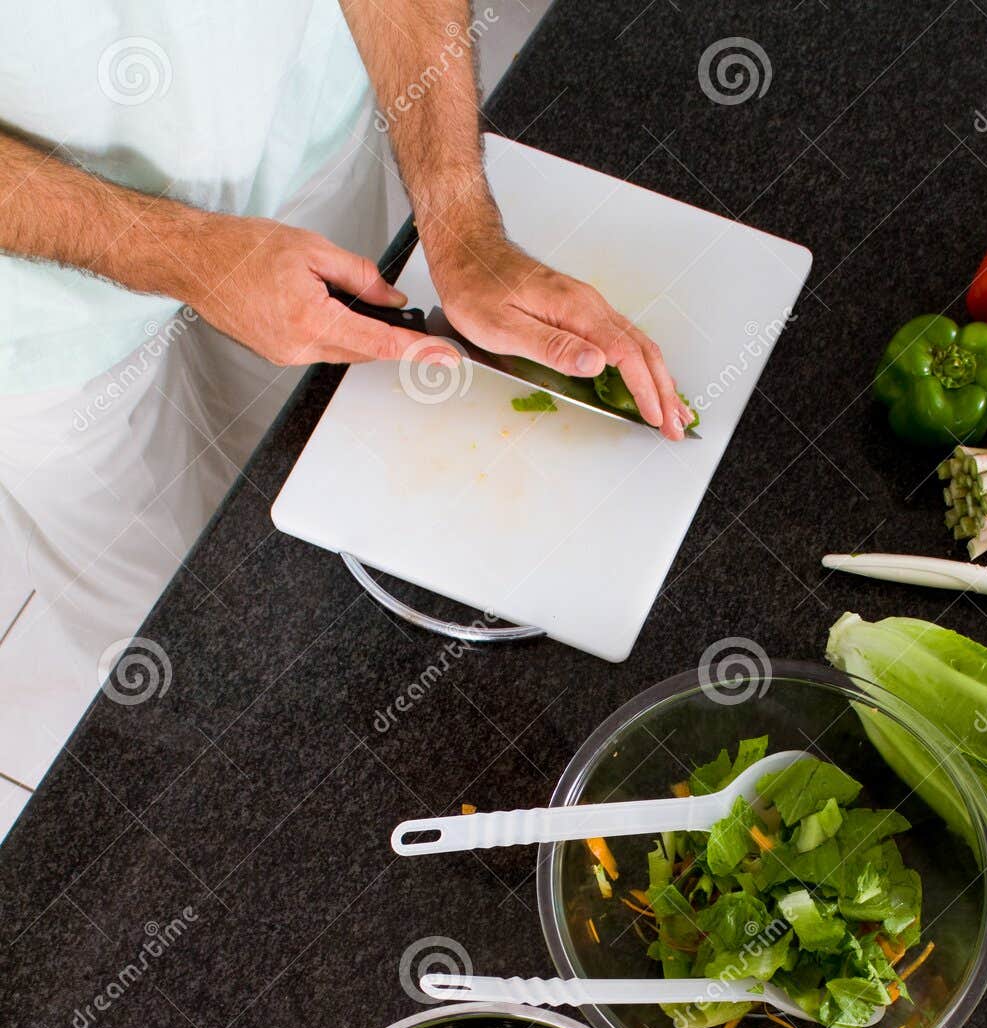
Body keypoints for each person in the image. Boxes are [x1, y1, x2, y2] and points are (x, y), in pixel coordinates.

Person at [0, 0, 688, 674]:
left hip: (296, 143)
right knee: (176, 635)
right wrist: (186, 253)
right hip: (36, 310)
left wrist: (460, 224)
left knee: (325, 495)